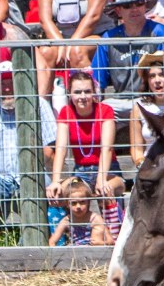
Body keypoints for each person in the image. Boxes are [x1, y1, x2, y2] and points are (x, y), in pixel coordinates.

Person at [90, 0, 164, 123]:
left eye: (139, 4)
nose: (134, 9)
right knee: (99, 113)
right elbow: (96, 82)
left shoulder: (159, 32)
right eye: (127, 6)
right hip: (118, 101)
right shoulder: (108, 38)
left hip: (153, 100)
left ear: (145, 7)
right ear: (118, 11)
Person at [0, 61, 56, 245]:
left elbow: (51, 152)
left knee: (37, 194)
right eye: (1, 81)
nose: (7, 86)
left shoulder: (39, 104)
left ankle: (26, 250)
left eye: (11, 80)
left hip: (34, 176)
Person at [47, 70, 124, 202]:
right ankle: (75, 223)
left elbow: (107, 148)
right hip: (81, 172)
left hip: (108, 169)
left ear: (93, 92)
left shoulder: (105, 110)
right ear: (70, 93)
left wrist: (101, 179)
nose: (82, 96)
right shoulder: (66, 112)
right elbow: (60, 149)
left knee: (105, 191)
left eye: (87, 91)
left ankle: (112, 223)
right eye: (77, 92)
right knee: (59, 193)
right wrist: (55, 180)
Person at [129, 50, 164, 168]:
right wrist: (142, 165)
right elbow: (136, 149)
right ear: (148, 82)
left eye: (162, 75)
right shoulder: (139, 107)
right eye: (152, 76)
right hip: (150, 167)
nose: (157, 80)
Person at [48, 177, 113, 247]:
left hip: (93, 251)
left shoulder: (95, 218)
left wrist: (100, 243)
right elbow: (52, 241)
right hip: (74, 252)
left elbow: (111, 241)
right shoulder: (67, 220)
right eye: (74, 203)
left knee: (98, 229)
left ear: (88, 202)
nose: (78, 206)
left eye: (82, 202)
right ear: (67, 204)